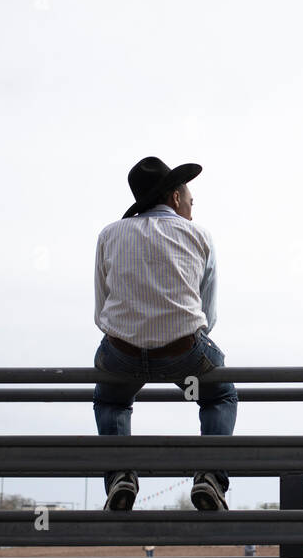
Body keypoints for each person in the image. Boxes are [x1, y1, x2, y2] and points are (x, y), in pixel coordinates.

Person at [93, 156, 238, 511]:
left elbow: (101, 310)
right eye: (189, 196)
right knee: (219, 396)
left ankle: (120, 476)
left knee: (112, 401)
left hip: (121, 352)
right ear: (174, 197)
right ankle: (209, 477)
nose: (192, 204)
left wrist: (131, 337)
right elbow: (208, 313)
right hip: (184, 349)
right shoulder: (199, 235)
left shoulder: (109, 234)